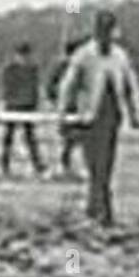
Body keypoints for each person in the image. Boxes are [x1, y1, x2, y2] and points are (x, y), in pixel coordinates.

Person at [56, 10, 139, 226]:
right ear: (96, 32)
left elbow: (130, 85)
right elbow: (68, 86)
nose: (106, 38)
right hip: (89, 117)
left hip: (112, 116)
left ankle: (97, 207)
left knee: (106, 164)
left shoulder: (120, 56)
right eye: (102, 32)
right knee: (96, 164)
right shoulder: (84, 55)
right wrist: (63, 114)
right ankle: (103, 209)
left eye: (109, 33)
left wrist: (134, 114)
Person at [0, 42, 45, 176]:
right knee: (8, 137)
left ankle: (37, 165)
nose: (24, 59)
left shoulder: (33, 69)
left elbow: (34, 88)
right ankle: (4, 164)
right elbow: (8, 88)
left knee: (30, 138)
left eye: (26, 56)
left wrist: (34, 103)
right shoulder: (10, 69)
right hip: (13, 106)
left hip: (27, 107)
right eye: (22, 56)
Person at [47, 36, 89, 178]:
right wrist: (56, 101)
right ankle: (64, 165)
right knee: (68, 140)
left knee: (83, 139)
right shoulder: (61, 67)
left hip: (81, 108)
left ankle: (82, 166)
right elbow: (51, 87)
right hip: (67, 108)